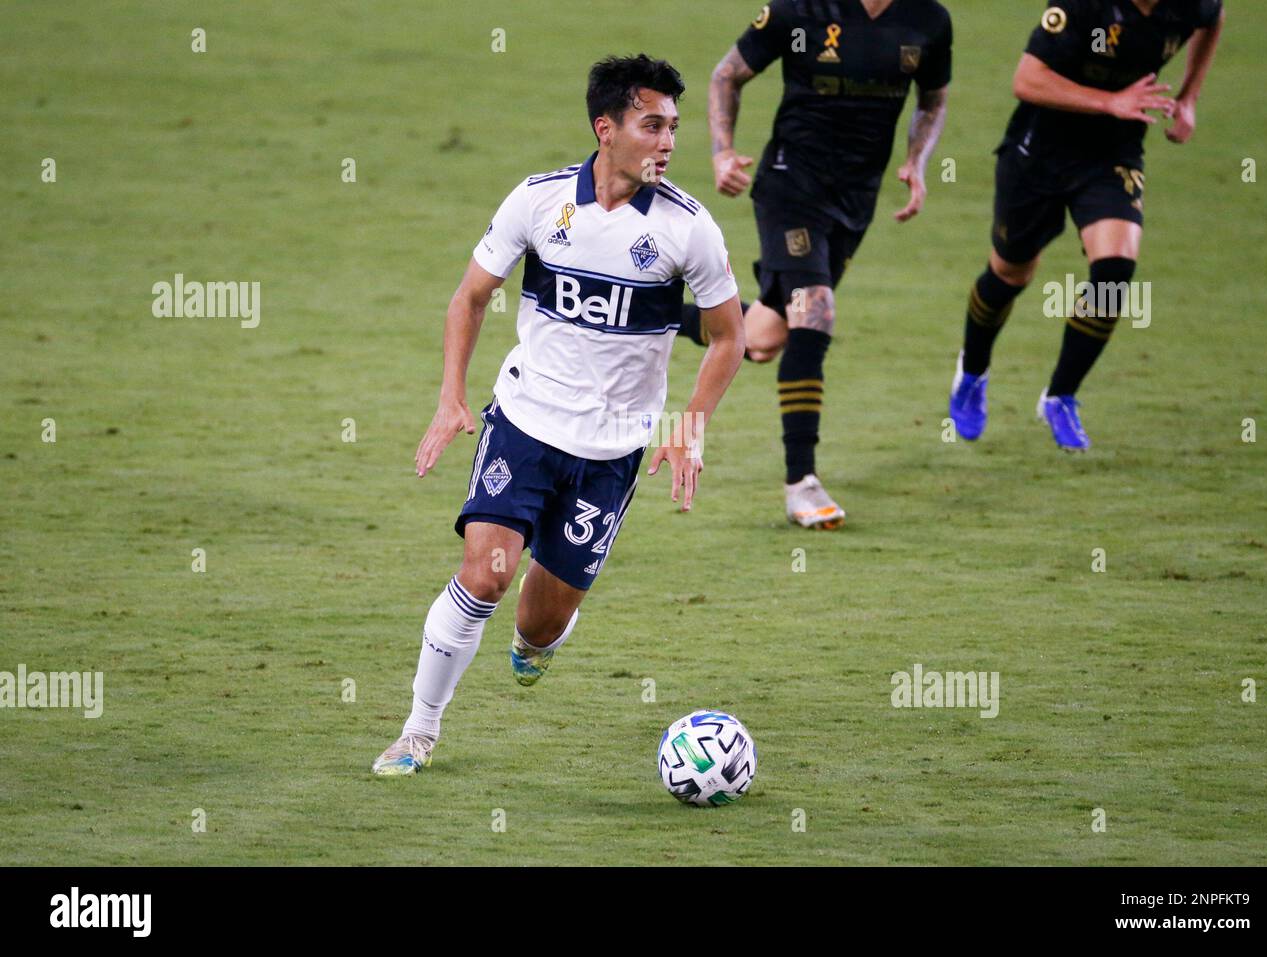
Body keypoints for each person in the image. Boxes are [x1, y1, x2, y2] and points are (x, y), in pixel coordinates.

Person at [373, 55, 745, 775]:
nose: (668, 141)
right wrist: (452, 397)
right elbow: (470, 296)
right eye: (652, 124)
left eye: (673, 126)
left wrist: (690, 422)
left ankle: (535, 646)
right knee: (485, 574)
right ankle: (418, 731)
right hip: (524, 422)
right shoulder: (540, 202)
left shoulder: (688, 230)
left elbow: (727, 336)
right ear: (606, 129)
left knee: (539, 623)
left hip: (611, 453)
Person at [680, 0, 951, 528]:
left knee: (760, 337)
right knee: (816, 311)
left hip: (855, 200)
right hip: (790, 185)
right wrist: (721, 151)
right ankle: (801, 483)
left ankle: (654, 313)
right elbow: (726, 75)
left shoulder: (929, 20)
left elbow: (933, 99)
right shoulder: (799, 10)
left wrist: (916, 161)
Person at [948, 0, 1224, 450]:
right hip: (1037, 154)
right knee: (1009, 274)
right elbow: (1026, 79)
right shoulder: (1083, 5)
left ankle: (1060, 396)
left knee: (1115, 270)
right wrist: (1109, 101)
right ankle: (973, 371)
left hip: (1111, 154)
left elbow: (1213, 19)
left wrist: (1189, 97)